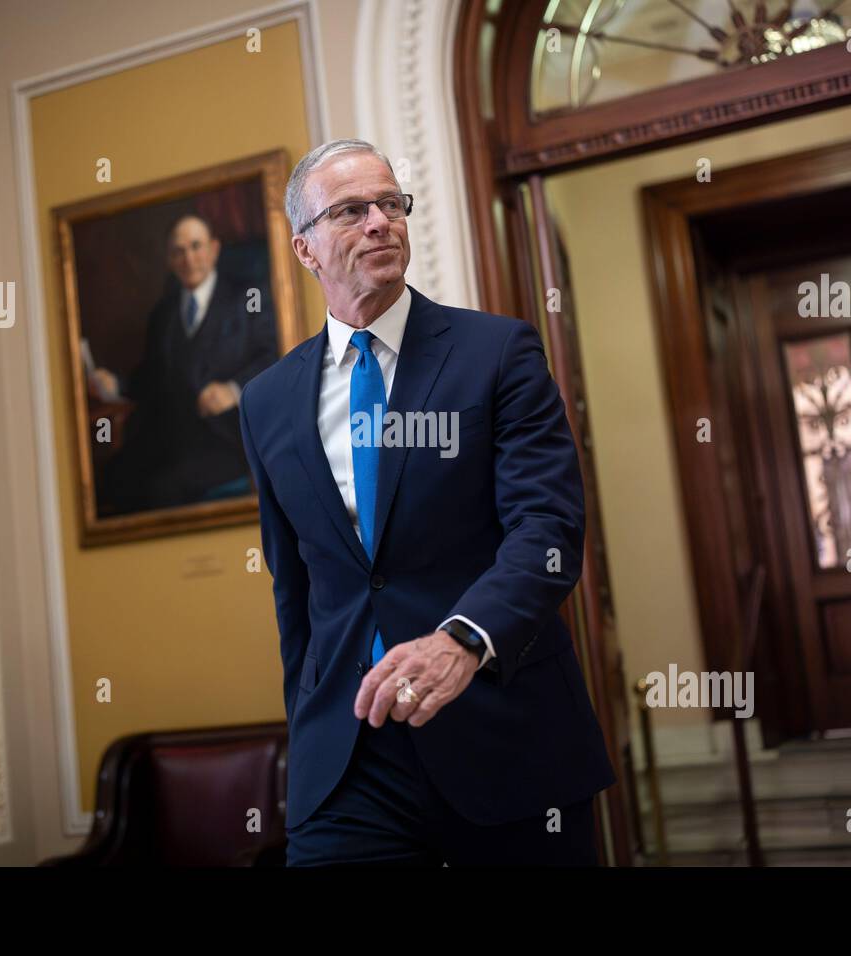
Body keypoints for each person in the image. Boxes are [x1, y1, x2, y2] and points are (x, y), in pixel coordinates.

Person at [238, 139, 616, 866]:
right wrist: (308, 729)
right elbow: (296, 589)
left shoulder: (496, 352)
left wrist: (463, 639)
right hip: (350, 760)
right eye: (352, 211)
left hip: (505, 732)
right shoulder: (267, 402)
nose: (380, 221)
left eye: (391, 204)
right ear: (305, 249)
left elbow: (548, 527)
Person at [95, 214, 277, 512]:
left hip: (227, 437)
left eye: (196, 247)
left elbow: (273, 356)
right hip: (170, 436)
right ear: (169, 259)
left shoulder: (248, 297)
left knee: (162, 489)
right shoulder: (163, 313)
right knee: (114, 478)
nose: (188, 258)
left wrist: (233, 389)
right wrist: (117, 384)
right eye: (178, 251)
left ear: (214, 249)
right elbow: (151, 377)